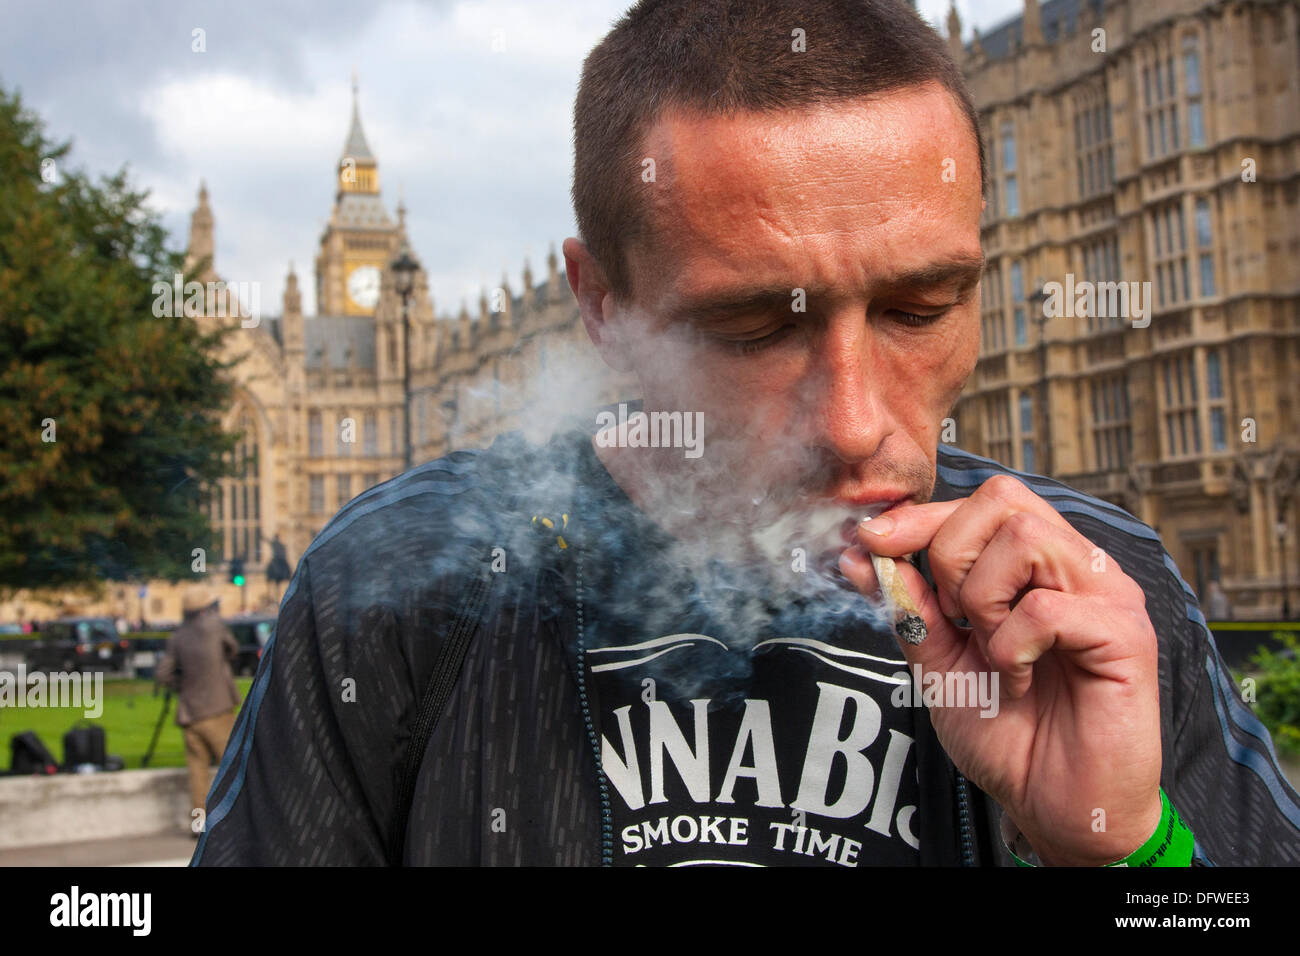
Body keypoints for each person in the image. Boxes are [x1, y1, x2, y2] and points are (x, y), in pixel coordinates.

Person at [194, 0, 1300, 866]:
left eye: (921, 309)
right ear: (600, 304)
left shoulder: (1102, 591)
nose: (856, 422)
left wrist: (1115, 847)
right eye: (753, 325)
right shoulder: (392, 596)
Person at [157, 585, 241, 834]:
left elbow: (163, 674)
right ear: (207, 607)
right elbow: (233, 649)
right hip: (218, 710)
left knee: (197, 773)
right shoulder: (215, 626)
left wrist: (182, 684)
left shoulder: (178, 637)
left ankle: (198, 824)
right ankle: (234, 821)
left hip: (190, 712)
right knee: (232, 766)